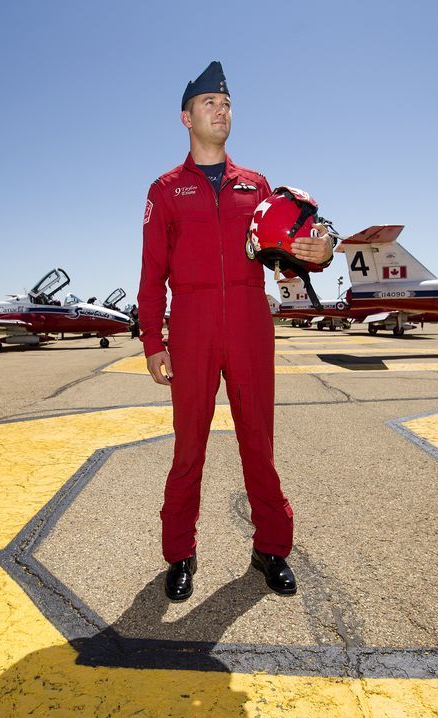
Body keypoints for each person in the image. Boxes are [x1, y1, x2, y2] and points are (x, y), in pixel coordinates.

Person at [138, 61, 333, 601]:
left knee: (258, 444)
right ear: (186, 118)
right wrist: (155, 342)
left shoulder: (258, 184)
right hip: (194, 328)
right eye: (209, 104)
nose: (220, 111)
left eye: (226, 105)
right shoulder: (165, 189)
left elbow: (288, 252)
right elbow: (152, 276)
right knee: (188, 449)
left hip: (249, 324)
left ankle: (271, 548)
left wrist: (321, 251)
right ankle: (180, 554)